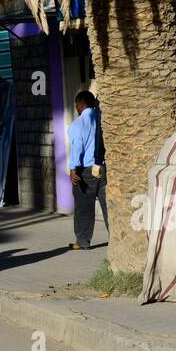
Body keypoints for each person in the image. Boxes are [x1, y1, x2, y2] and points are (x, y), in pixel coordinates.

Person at [67, 90, 108, 250]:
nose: (76, 108)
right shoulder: (102, 119)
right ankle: (117, 238)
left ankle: (83, 241)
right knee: (108, 206)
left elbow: (77, 146)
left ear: (81, 105)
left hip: (85, 171)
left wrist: (73, 169)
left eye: (76, 105)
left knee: (84, 207)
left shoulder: (77, 124)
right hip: (104, 168)